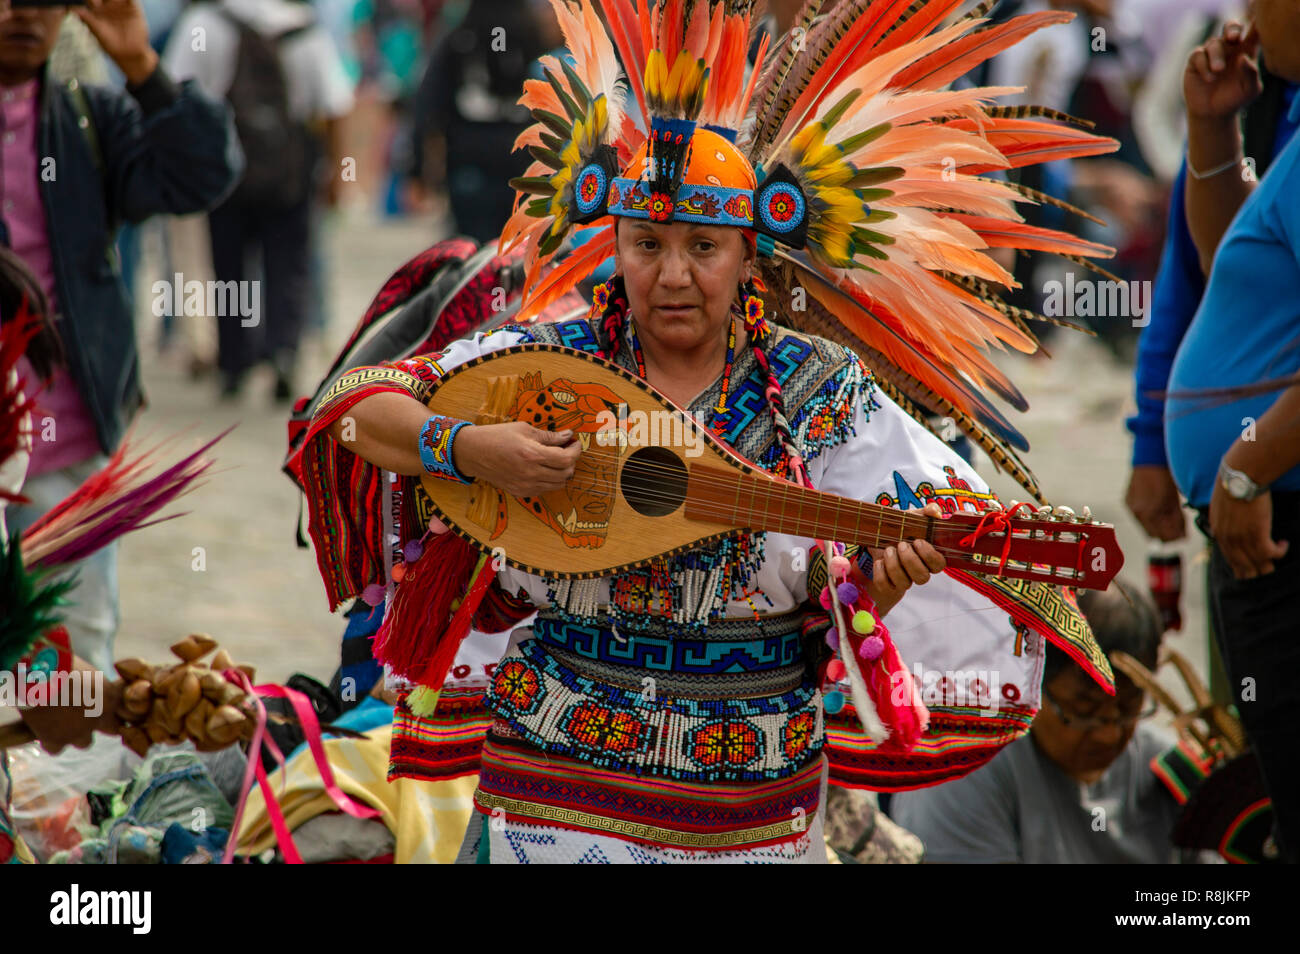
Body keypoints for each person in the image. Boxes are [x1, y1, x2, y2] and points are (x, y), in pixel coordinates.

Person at [295, 0, 1112, 863]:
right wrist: (464, 447)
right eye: (646, 245)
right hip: (558, 786)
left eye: (704, 246)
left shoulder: (818, 391)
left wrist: (882, 581)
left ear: (749, 253)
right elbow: (350, 413)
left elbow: (884, 566)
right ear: (613, 240)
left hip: (749, 799)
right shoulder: (546, 360)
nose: (672, 276)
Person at [0, 0, 242, 674]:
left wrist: (140, 63)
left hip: (66, 445)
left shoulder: (86, 118)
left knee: (70, 670)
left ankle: (59, 784)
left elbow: (200, 175)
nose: (24, 14)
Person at [1164, 0, 1300, 864]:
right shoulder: (1291, 132)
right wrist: (1213, 134)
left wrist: (1249, 468)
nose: (1244, 13)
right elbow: (1234, 273)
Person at [889, 580, 1209, 864]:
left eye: (1129, 708)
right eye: (1084, 711)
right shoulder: (960, 769)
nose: (1109, 734)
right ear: (1030, 680)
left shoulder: (1172, 772)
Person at [163, 0, 355, 401]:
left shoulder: (204, 23)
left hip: (224, 166)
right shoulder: (303, 27)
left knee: (230, 265)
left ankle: (234, 361)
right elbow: (335, 103)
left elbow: (172, 92)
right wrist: (339, 172)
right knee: (288, 261)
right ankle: (283, 350)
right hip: (291, 166)